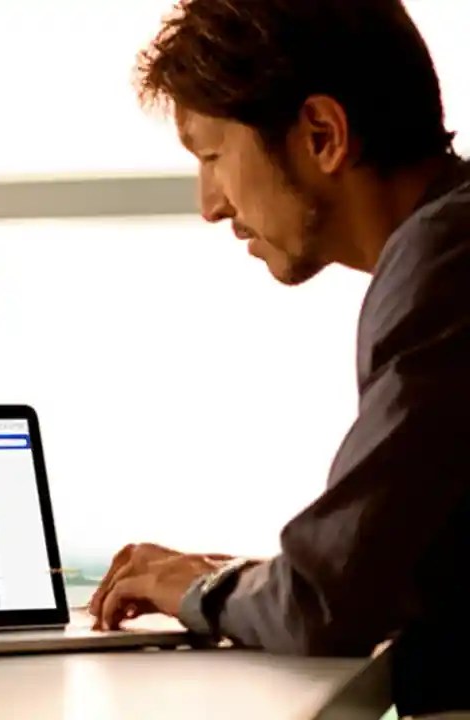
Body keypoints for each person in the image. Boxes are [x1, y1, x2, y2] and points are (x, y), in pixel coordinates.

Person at [85, 0, 470, 715]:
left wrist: (202, 589)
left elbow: (330, 600)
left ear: (322, 134)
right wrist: (246, 584)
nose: (210, 204)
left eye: (211, 156)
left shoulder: (444, 268)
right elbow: (386, 570)